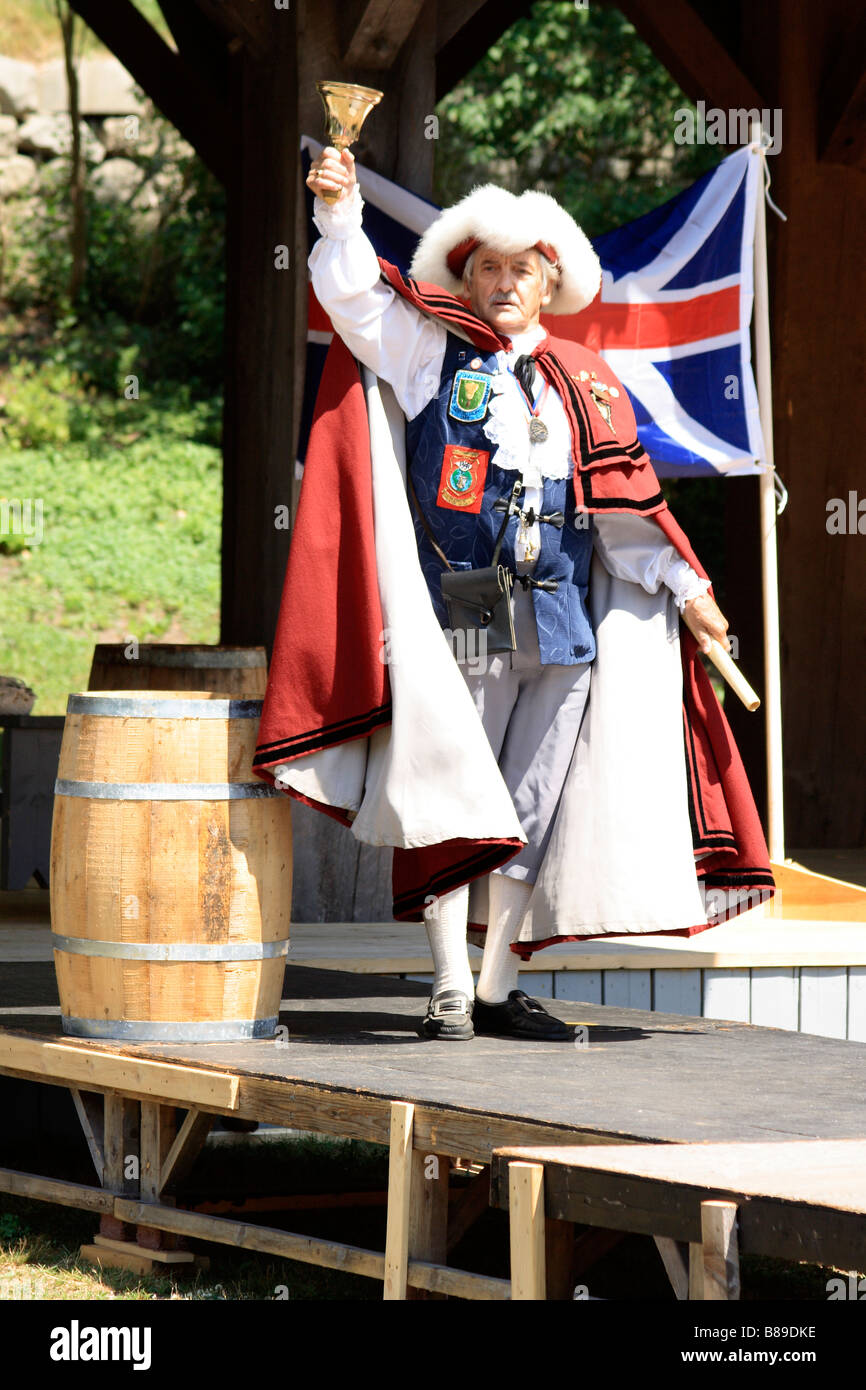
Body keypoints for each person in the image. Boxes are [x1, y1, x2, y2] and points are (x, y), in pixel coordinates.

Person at [254, 145, 771, 1043]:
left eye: (520, 269)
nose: (502, 282)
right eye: (486, 266)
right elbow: (352, 298)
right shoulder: (429, 349)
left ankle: (494, 987)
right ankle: (448, 984)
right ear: (464, 276)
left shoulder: (588, 380)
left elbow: (626, 514)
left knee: (532, 800)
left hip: (565, 617)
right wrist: (339, 218)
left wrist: (690, 589)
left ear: (548, 281)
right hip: (467, 608)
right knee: (459, 789)